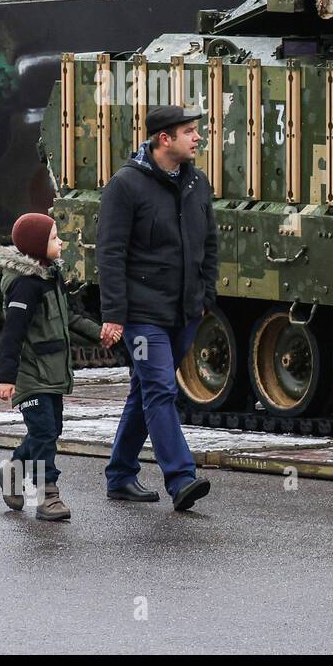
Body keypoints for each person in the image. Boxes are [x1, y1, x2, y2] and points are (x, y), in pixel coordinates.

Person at [96, 104, 216, 512]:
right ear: (164, 139)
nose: (197, 137)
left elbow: (209, 246)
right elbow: (109, 254)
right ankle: (181, 477)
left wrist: (205, 298)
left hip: (184, 312)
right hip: (143, 316)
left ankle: (120, 475)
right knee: (162, 389)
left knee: (145, 390)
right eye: (189, 131)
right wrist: (114, 314)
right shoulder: (125, 186)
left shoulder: (197, 182)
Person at [0, 214, 106, 520]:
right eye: (55, 238)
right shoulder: (25, 286)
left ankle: (12, 471)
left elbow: (67, 316)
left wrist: (99, 333)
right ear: (36, 246)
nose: (61, 243)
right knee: (44, 433)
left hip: (51, 370)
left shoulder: (49, 275)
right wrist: (5, 377)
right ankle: (48, 496)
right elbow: (13, 334)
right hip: (30, 374)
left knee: (51, 429)